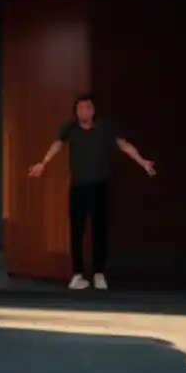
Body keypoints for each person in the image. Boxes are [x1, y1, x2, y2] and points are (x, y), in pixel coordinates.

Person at [27, 93, 156, 291]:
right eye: (80, 109)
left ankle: (99, 273)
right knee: (76, 230)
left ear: (93, 110)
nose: (83, 112)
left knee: (99, 230)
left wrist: (142, 161)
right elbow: (57, 144)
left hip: (100, 185)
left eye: (87, 108)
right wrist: (43, 163)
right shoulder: (70, 128)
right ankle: (77, 274)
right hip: (78, 186)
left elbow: (123, 144)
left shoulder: (104, 127)